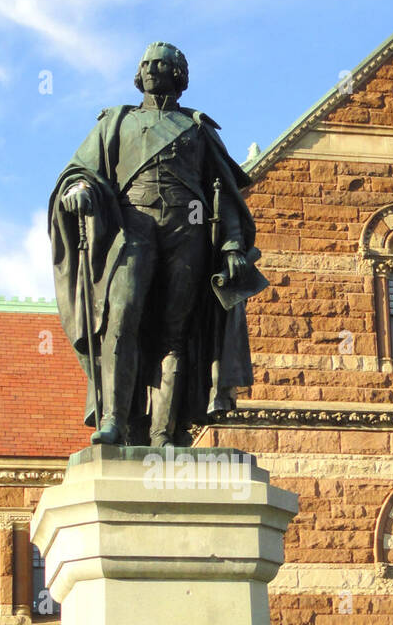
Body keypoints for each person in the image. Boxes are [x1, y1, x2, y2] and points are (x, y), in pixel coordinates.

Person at [49, 42, 267, 446]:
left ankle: (164, 432)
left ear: (178, 74)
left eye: (161, 64)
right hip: (132, 227)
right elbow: (82, 169)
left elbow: (223, 191)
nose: (151, 69)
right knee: (122, 318)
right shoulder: (116, 122)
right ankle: (113, 420)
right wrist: (78, 187)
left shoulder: (198, 128)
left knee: (175, 332)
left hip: (188, 231)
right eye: (146, 64)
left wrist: (233, 244)